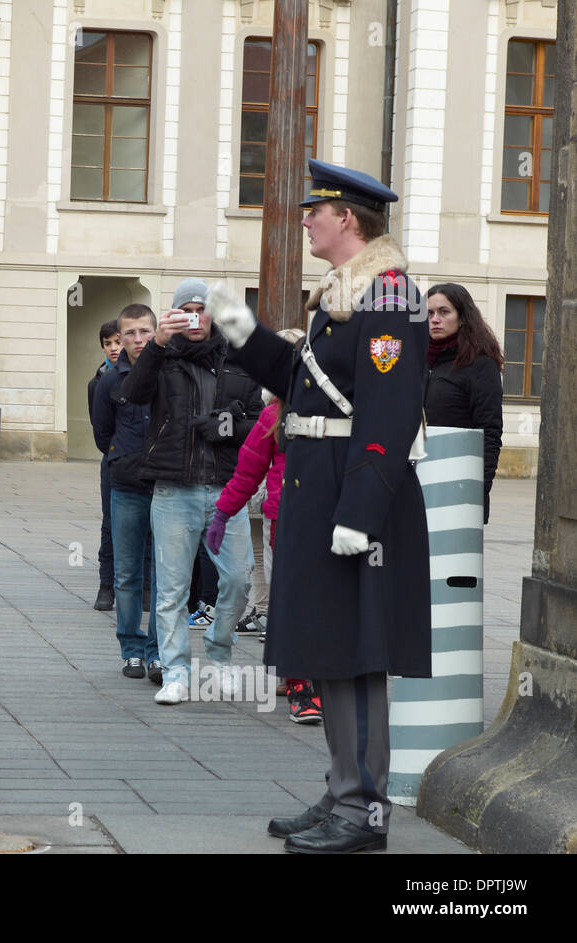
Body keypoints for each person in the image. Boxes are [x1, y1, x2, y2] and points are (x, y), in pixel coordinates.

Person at [210, 158, 430, 853]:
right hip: (318, 484)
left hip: (355, 496)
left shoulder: (390, 296)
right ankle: (342, 790)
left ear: (348, 221)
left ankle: (365, 810)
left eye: (316, 211)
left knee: (358, 654)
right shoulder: (342, 294)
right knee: (331, 650)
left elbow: (389, 416)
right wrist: (240, 330)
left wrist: (360, 513)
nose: (304, 220)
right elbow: (298, 385)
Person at [121, 279, 261, 706]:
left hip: (225, 490)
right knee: (171, 588)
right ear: (174, 315)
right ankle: (176, 670)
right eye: (186, 310)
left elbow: (259, 419)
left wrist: (226, 427)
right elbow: (131, 394)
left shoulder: (237, 359)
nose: (195, 317)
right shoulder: (162, 358)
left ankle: (219, 656)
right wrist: (158, 344)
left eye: (202, 309)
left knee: (237, 579)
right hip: (173, 490)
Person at [206, 329, 318, 722]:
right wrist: (222, 513)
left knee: (323, 604)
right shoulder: (275, 415)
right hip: (284, 524)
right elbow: (248, 471)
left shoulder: (347, 413)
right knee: (290, 602)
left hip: (334, 524)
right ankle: (299, 681)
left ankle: (314, 674)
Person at [91, 305, 162, 683]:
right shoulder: (108, 381)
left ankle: (156, 652)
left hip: (166, 485)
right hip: (127, 487)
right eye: (129, 334)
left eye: (144, 332)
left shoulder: (168, 373)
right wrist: (122, 459)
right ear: (120, 337)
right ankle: (131, 649)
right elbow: (103, 435)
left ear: (156, 332)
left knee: (164, 574)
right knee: (127, 573)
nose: (137, 340)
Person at [424, 283, 504, 523]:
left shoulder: (480, 364)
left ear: (462, 317)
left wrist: (476, 490)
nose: (435, 319)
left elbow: (490, 431)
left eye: (444, 312)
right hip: (417, 482)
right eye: (429, 313)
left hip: (458, 486)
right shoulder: (420, 361)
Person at [90, 320, 123, 611]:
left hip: (147, 463)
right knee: (110, 525)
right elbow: (100, 430)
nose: (113, 348)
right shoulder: (98, 382)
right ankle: (106, 585)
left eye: (117, 341)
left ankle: (146, 586)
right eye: (108, 343)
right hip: (113, 462)